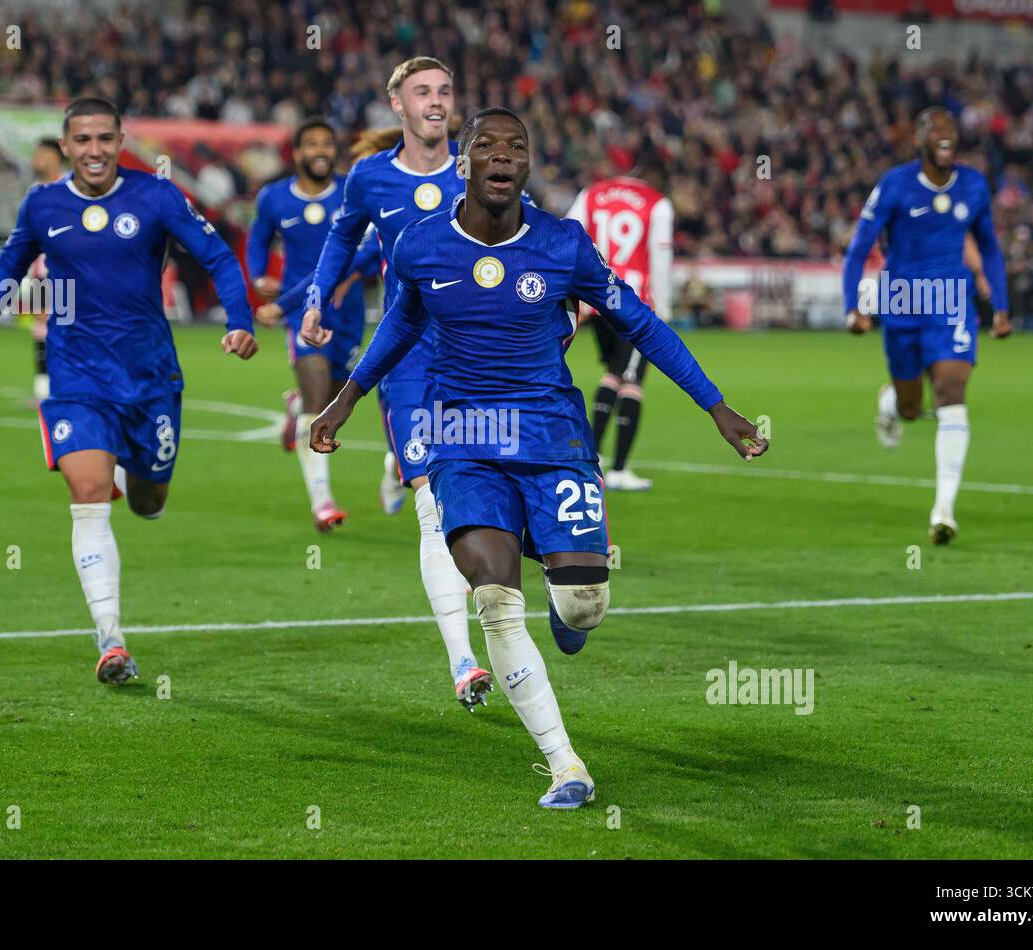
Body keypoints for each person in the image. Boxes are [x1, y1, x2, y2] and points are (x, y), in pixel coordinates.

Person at [308, 108, 768, 808]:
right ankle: (566, 765)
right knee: (494, 597)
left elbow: (639, 321)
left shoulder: (564, 245)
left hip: (553, 439)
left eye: (515, 147)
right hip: (463, 439)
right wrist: (346, 398)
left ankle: (564, 593)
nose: (501, 156)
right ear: (464, 162)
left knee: (583, 608)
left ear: (527, 165)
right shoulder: (421, 244)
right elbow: (401, 321)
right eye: (486, 145)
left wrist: (717, 406)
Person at [0, 97, 258, 684]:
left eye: (105, 139)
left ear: (119, 142)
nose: (94, 150)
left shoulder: (157, 195)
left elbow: (216, 255)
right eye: (82, 140)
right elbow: (8, 267)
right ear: (65, 146)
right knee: (88, 494)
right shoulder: (43, 203)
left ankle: (136, 479)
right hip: (76, 379)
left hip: (149, 379)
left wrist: (240, 319)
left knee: (147, 502)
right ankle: (111, 638)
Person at [296, 57, 491, 712]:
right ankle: (463, 661)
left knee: (485, 499)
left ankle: (394, 465)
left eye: (444, 90)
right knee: (433, 510)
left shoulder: (481, 169)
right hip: (406, 358)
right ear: (397, 104)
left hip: (482, 357)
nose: (436, 101)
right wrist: (319, 297)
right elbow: (340, 240)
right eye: (422, 92)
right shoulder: (371, 177)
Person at [843, 107, 1011, 544]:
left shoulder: (973, 185)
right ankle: (890, 405)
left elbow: (990, 247)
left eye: (951, 129)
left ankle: (944, 510)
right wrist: (852, 308)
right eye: (935, 129)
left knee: (952, 394)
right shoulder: (895, 184)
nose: (944, 135)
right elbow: (858, 248)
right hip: (901, 302)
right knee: (912, 408)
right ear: (919, 140)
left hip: (953, 302)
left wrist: (1002, 305)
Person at [249, 117, 380, 532]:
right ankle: (323, 502)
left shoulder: (351, 191)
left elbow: (364, 251)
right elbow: (256, 239)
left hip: (348, 312)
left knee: (339, 393)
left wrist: (351, 278)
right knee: (316, 397)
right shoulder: (274, 198)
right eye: (312, 144)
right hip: (304, 314)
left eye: (328, 143)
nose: (321, 151)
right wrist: (258, 278)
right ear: (297, 153)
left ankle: (296, 405)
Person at [566, 157, 676, 491]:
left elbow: (569, 236)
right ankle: (619, 469)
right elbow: (661, 254)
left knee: (613, 373)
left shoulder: (593, 193)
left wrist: (575, 293)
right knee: (632, 380)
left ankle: (594, 454)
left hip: (598, 300)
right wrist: (664, 309)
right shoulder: (658, 204)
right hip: (634, 302)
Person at [27, 137, 68, 402]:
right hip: (39, 268)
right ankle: (43, 390)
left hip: (63, 268)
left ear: (55, 157)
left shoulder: (69, 188)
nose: (36, 159)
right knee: (40, 325)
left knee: (66, 327)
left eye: (41, 154)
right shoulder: (34, 190)